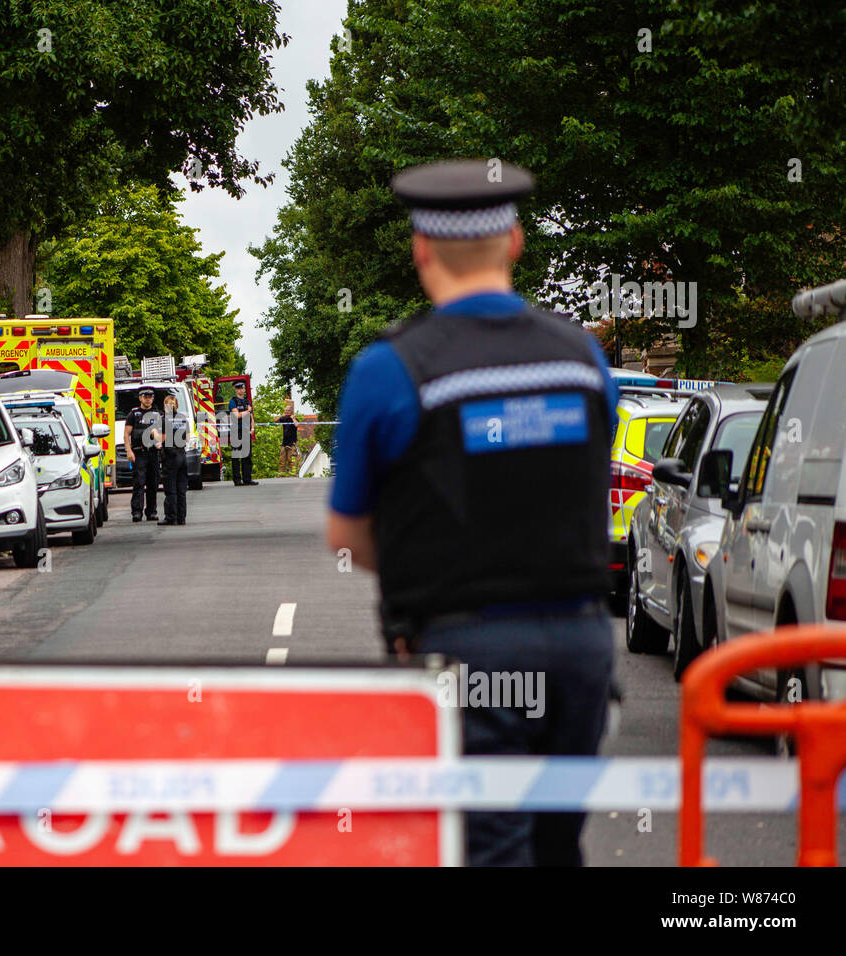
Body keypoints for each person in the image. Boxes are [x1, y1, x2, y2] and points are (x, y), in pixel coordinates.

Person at [326, 159, 619, 867]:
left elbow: (348, 536)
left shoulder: (390, 369)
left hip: (466, 653)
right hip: (583, 648)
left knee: (486, 850)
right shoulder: (581, 356)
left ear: (420, 249)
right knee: (557, 848)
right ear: (515, 242)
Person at [123, 387, 161, 522]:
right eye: (145, 397)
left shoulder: (157, 414)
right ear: (140, 398)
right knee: (139, 483)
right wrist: (129, 450)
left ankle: (151, 511)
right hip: (139, 452)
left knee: (153, 483)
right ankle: (137, 512)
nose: (148, 399)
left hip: (153, 453)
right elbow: (126, 435)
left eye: (150, 397)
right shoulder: (134, 414)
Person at [158, 392, 188, 525]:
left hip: (171, 457)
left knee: (170, 489)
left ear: (166, 405)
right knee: (181, 489)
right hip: (182, 455)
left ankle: (171, 517)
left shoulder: (164, 420)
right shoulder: (182, 418)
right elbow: (187, 438)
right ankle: (182, 518)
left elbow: (161, 439)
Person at [226, 381, 257, 486]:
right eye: (238, 388)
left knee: (247, 456)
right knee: (236, 456)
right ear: (235, 390)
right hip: (236, 431)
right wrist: (247, 411)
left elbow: (252, 418)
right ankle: (237, 480)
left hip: (246, 431)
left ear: (244, 389)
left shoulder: (247, 402)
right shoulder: (233, 401)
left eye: (242, 388)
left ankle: (247, 479)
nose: (240, 390)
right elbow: (236, 416)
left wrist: (252, 429)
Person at [276, 401, 299, 474]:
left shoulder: (294, 418)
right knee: (282, 460)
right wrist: (280, 416)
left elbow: (297, 425)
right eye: (286, 410)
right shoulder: (284, 418)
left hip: (292, 443)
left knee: (291, 460)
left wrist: (293, 418)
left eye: (288, 410)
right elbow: (276, 422)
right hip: (284, 443)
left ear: (291, 411)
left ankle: (293, 474)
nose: (287, 412)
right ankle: (281, 474)